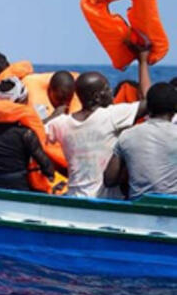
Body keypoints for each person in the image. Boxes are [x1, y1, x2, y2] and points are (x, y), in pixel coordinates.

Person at [46, 43, 152, 198]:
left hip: (74, 197)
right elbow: (151, 101)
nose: (111, 93)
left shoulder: (60, 123)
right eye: (107, 89)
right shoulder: (111, 116)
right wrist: (142, 61)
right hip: (106, 200)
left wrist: (56, 113)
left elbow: (34, 131)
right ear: (97, 97)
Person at [0, 77, 58, 191]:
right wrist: (50, 176)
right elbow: (45, 163)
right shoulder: (26, 134)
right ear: (19, 102)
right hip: (20, 186)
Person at [104, 83, 177, 199]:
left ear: (148, 107)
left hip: (139, 208)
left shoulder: (127, 135)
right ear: (175, 109)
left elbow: (109, 179)